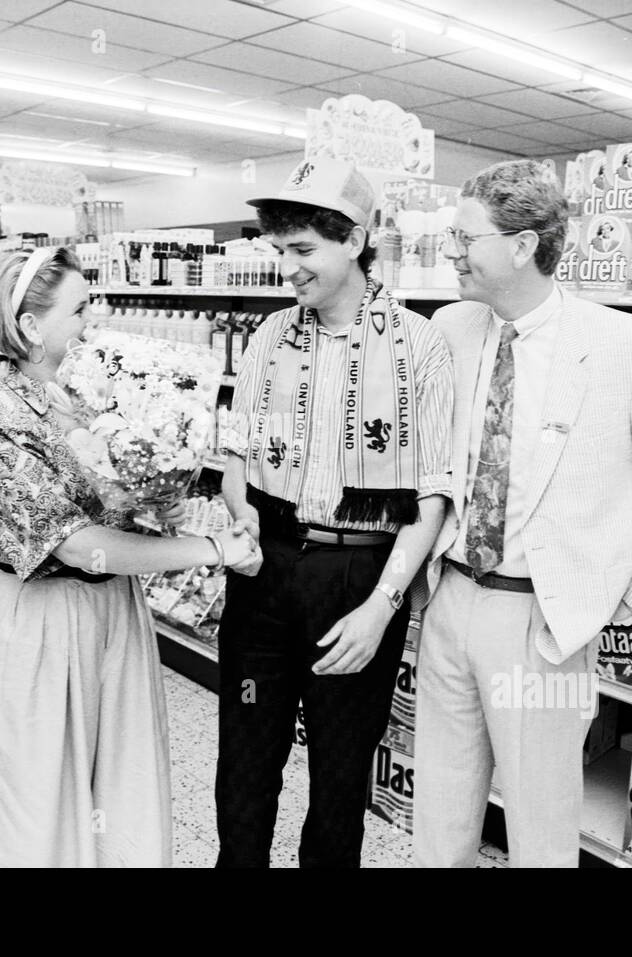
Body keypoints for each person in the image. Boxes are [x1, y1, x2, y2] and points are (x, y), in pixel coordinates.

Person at [414, 159, 632, 867]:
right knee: (439, 801)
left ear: (522, 246)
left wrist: (628, 599)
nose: (450, 251)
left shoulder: (626, 346)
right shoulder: (451, 327)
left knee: (540, 817)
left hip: (543, 621)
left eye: (465, 237)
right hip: (450, 596)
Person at [0, 247, 258, 868]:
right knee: (38, 795)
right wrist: (209, 549)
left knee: (124, 784)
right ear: (31, 326)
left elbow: (122, 497)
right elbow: (75, 543)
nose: (93, 321)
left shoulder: (101, 399)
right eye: (79, 309)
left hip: (115, 609)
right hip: (38, 619)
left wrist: (160, 504)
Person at [217, 157, 454, 868]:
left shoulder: (419, 344)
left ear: (354, 241)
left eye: (303, 249)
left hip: (359, 578)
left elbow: (432, 496)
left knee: (341, 774)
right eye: (278, 250)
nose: (287, 268)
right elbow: (237, 457)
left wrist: (383, 606)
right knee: (245, 759)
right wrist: (243, 517)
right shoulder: (269, 338)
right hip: (265, 569)